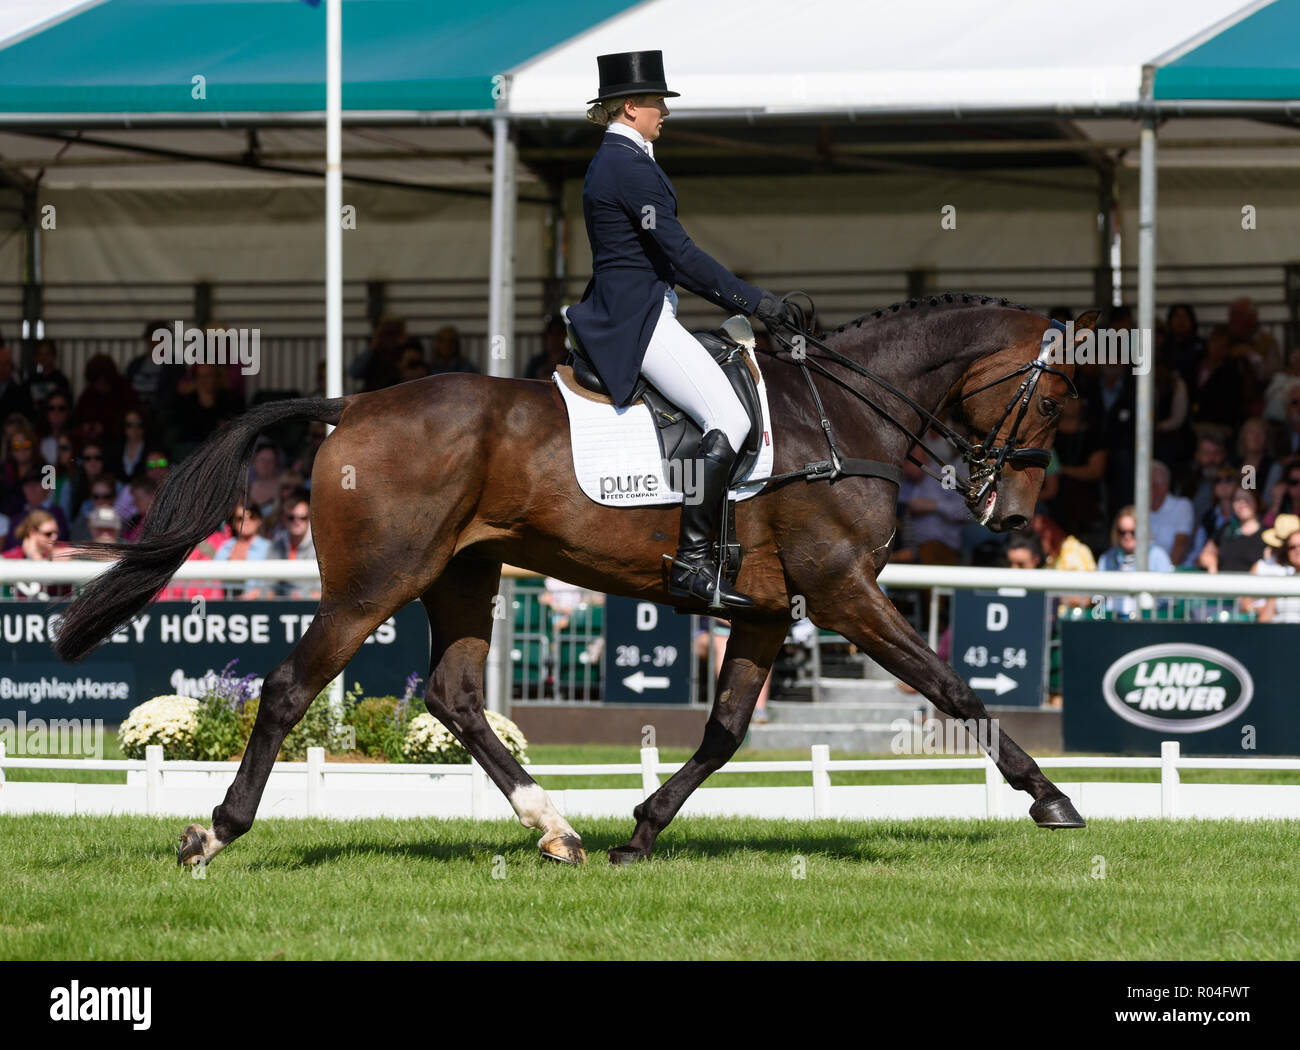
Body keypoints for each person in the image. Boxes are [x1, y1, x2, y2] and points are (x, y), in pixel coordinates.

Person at [566, 50, 797, 607]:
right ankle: (694, 565)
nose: (664, 112)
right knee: (730, 417)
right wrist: (756, 301)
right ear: (629, 108)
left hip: (644, 308)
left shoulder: (627, 159)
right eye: (657, 103)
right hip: (636, 319)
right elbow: (683, 256)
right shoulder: (625, 165)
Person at [1097, 506, 1173, 619]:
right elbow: (1098, 597)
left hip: (1147, 623)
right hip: (1113, 623)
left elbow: (1167, 597)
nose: (1127, 536)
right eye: (1122, 532)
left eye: (1133, 532)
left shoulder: (1158, 556)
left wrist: (1147, 608)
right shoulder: (1106, 559)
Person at [1, 509, 72, 599]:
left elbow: (88, 552)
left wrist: (36, 557)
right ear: (32, 532)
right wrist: (32, 556)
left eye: (56, 533)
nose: (54, 537)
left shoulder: (61, 549)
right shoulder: (13, 556)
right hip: (20, 611)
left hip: (57, 611)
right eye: (48, 534)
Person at [1197, 487, 1266, 574]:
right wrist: (1212, 565)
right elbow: (1205, 554)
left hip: (1253, 586)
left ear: (1256, 501)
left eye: (1246, 499)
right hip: (1223, 585)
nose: (1242, 503)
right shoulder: (1226, 529)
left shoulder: (1267, 533)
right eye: (1237, 500)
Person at [1248, 515, 1300, 623]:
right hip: (1280, 633)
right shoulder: (1283, 578)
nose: (1297, 551)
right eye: (1292, 547)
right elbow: (1265, 615)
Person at [268, 488, 319, 599]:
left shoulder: (320, 546)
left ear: (310, 518)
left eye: (303, 517)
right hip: (280, 605)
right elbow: (269, 585)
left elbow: (320, 591)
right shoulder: (277, 543)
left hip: (311, 607)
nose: (297, 522)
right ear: (283, 519)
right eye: (291, 518)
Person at [215, 503, 271, 599]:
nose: (246, 521)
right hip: (228, 604)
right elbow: (213, 578)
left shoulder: (268, 547)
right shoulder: (225, 547)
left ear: (259, 520)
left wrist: (254, 595)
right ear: (233, 523)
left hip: (260, 605)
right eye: (241, 518)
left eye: (252, 517)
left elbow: (274, 584)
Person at [1148, 460, 1194, 565]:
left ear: (1163, 486)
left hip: (1171, 574)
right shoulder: (1138, 510)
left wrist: (1166, 575)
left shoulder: (1182, 506)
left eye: (1151, 485)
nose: (1145, 489)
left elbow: (1181, 544)